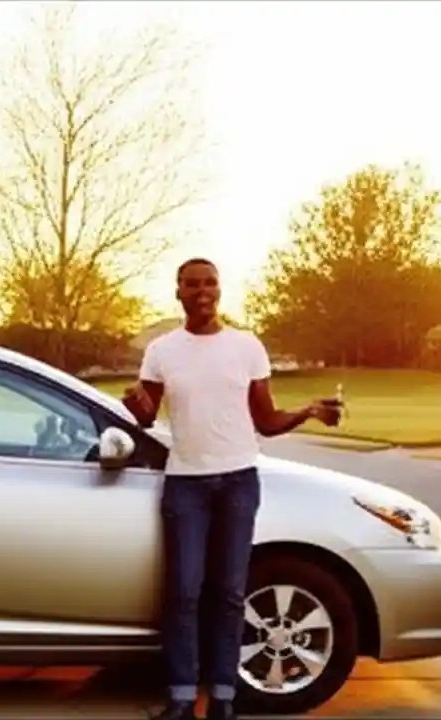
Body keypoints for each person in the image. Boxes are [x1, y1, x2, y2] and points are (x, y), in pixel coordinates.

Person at [123, 258, 342, 720]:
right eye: (192, 284)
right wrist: (136, 404)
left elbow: (265, 420)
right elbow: (145, 417)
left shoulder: (246, 347)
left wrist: (308, 411)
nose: (202, 291)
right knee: (183, 592)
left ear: (219, 290)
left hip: (238, 482)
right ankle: (182, 697)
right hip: (185, 486)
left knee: (227, 591)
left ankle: (224, 698)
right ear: (178, 291)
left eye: (210, 283)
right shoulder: (162, 350)